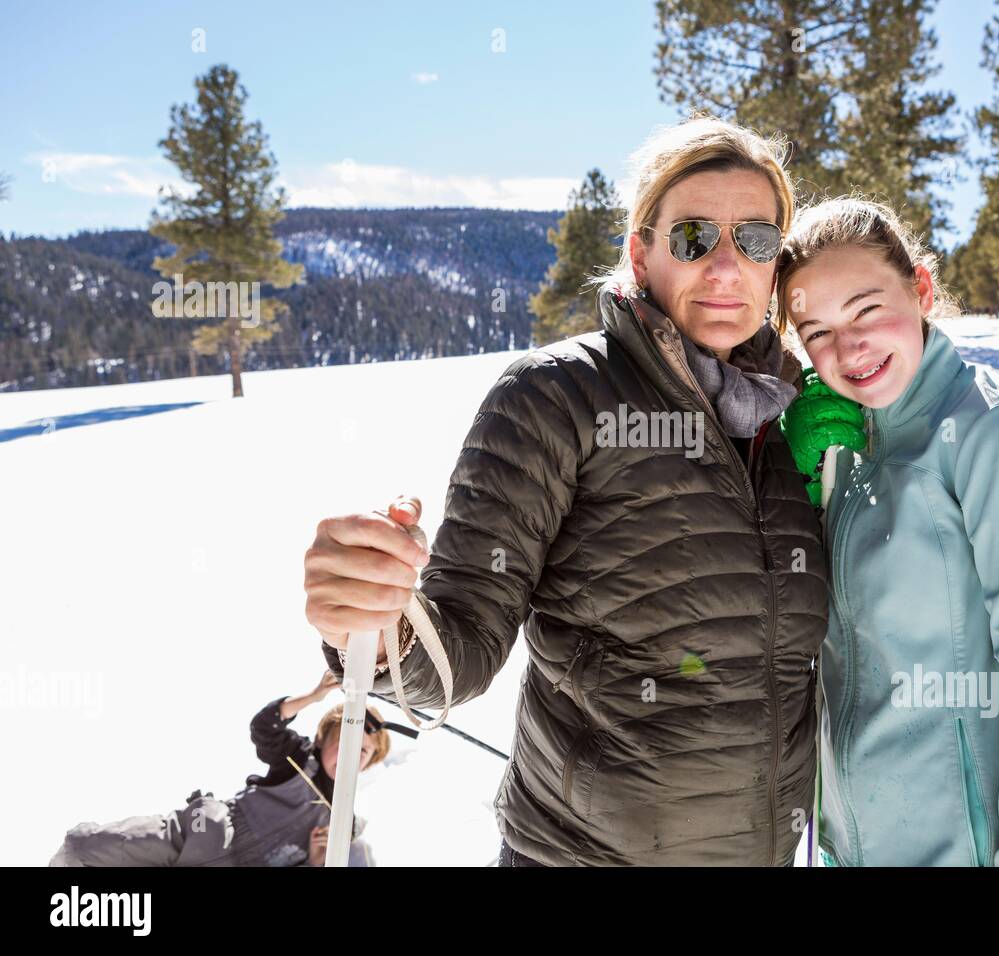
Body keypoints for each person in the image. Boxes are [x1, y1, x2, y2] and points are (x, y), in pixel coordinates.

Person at [302, 116, 829, 866]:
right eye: (691, 238)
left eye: (754, 239)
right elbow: (463, 650)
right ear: (641, 254)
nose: (724, 266)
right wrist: (377, 620)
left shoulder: (796, 421)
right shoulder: (556, 397)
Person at [777, 195, 999, 866]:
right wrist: (797, 495)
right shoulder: (842, 444)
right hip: (852, 847)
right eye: (815, 331)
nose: (847, 348)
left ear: (921, 288)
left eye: (867, 310)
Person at [50, 672, 387, 866]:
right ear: (324, 737)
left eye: (363, 753)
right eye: (345, 742)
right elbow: (265, 729)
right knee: (83, 848)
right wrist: (313, 696)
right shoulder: (299, 758)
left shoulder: (343, 824)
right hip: (208, 834)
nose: (351, 756)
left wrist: (316, 862)